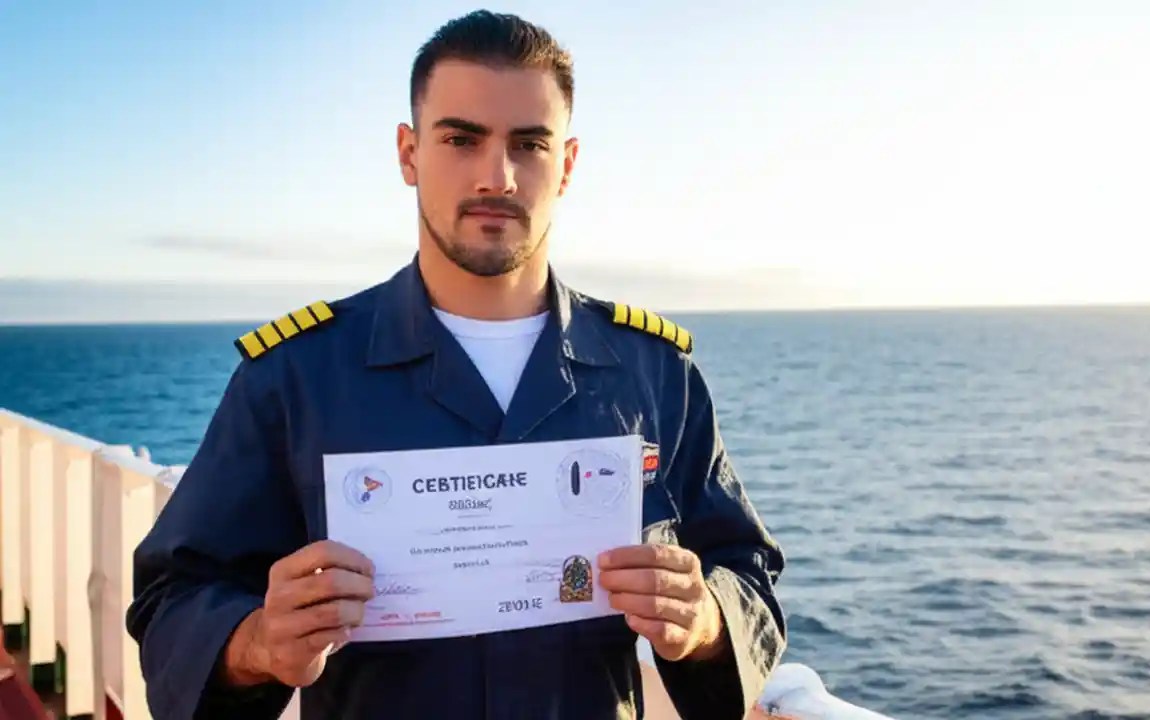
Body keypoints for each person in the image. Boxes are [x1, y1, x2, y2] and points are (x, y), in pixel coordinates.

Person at [126, 10, 785, 719]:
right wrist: (254, 641)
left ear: (565, 165)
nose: (496, 176)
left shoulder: (653, 374)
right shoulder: (296, 378)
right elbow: (172, 596)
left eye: (528, 144)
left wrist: (707, 620)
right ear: (409, 153)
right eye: (461, 139)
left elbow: (746, 572)